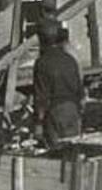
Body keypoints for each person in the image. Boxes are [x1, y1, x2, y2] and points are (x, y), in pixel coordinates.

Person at [33, 19, 84, 147]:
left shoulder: (42, 63)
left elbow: (41, 97)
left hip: (56, 112)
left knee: (57, 153)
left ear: (41, 40)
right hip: (73, 111)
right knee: (75, 150)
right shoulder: (70, 59)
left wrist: (38, 124)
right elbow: (80, 90)